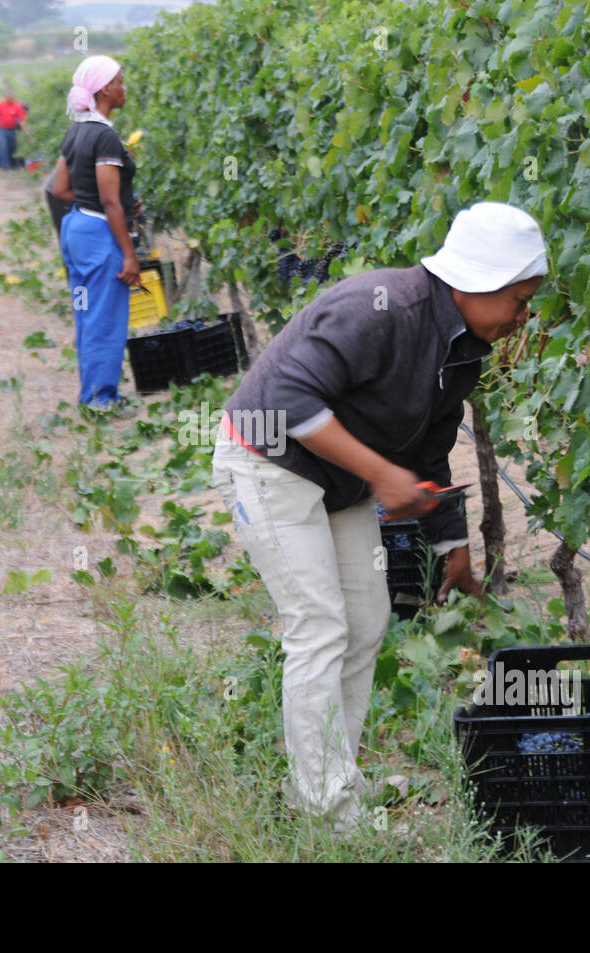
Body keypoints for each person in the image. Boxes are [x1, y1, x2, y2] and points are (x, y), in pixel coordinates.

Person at [210, 202, 548, 832]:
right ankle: (322, 807)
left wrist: (454, 545)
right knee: (317, 624)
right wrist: (379, 473)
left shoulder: (464, 348)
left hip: (338, 479)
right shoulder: (380, 307)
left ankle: (337, 780)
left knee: (366, 619)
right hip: (267, 460)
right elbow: (286, 399)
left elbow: (428, 451)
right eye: (519, 299)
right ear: (477, 282)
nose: (523, 315)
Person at [50, 55, 145, 414]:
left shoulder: (76, 130)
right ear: (105, 88)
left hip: (75, 228)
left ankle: (92, 395)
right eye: (119, 82)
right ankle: (102, 400)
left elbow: (61, 189)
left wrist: (116, 201)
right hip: (98, 233)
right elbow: (109, 200)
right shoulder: (104, 136)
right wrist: (130, 255)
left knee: (87, 314)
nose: (124, 88)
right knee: (105, 317)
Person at [0, 92, 27, 170]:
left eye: (12, 99)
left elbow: (22, 120)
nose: (11, 100)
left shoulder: (16, 106)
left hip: (12, 130)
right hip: (1, 130)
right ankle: (4, 165)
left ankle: (13, 164)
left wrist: (26, 132)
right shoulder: (0, 105)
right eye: (10, 98)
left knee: (12, 146)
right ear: (6, 97)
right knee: (3, 146)